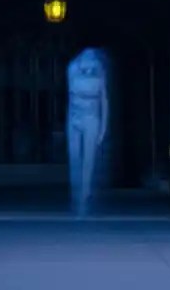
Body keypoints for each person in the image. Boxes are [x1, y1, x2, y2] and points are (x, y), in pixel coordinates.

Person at [66, 47, 108, 216]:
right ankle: (77, 192)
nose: (89, 70)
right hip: (76, 117)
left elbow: (104, 101)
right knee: (75, 157)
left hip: (91, 118)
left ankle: (84, 193)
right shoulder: (73, 70)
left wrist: (103, 127)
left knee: (88, 159)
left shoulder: (99, 75)